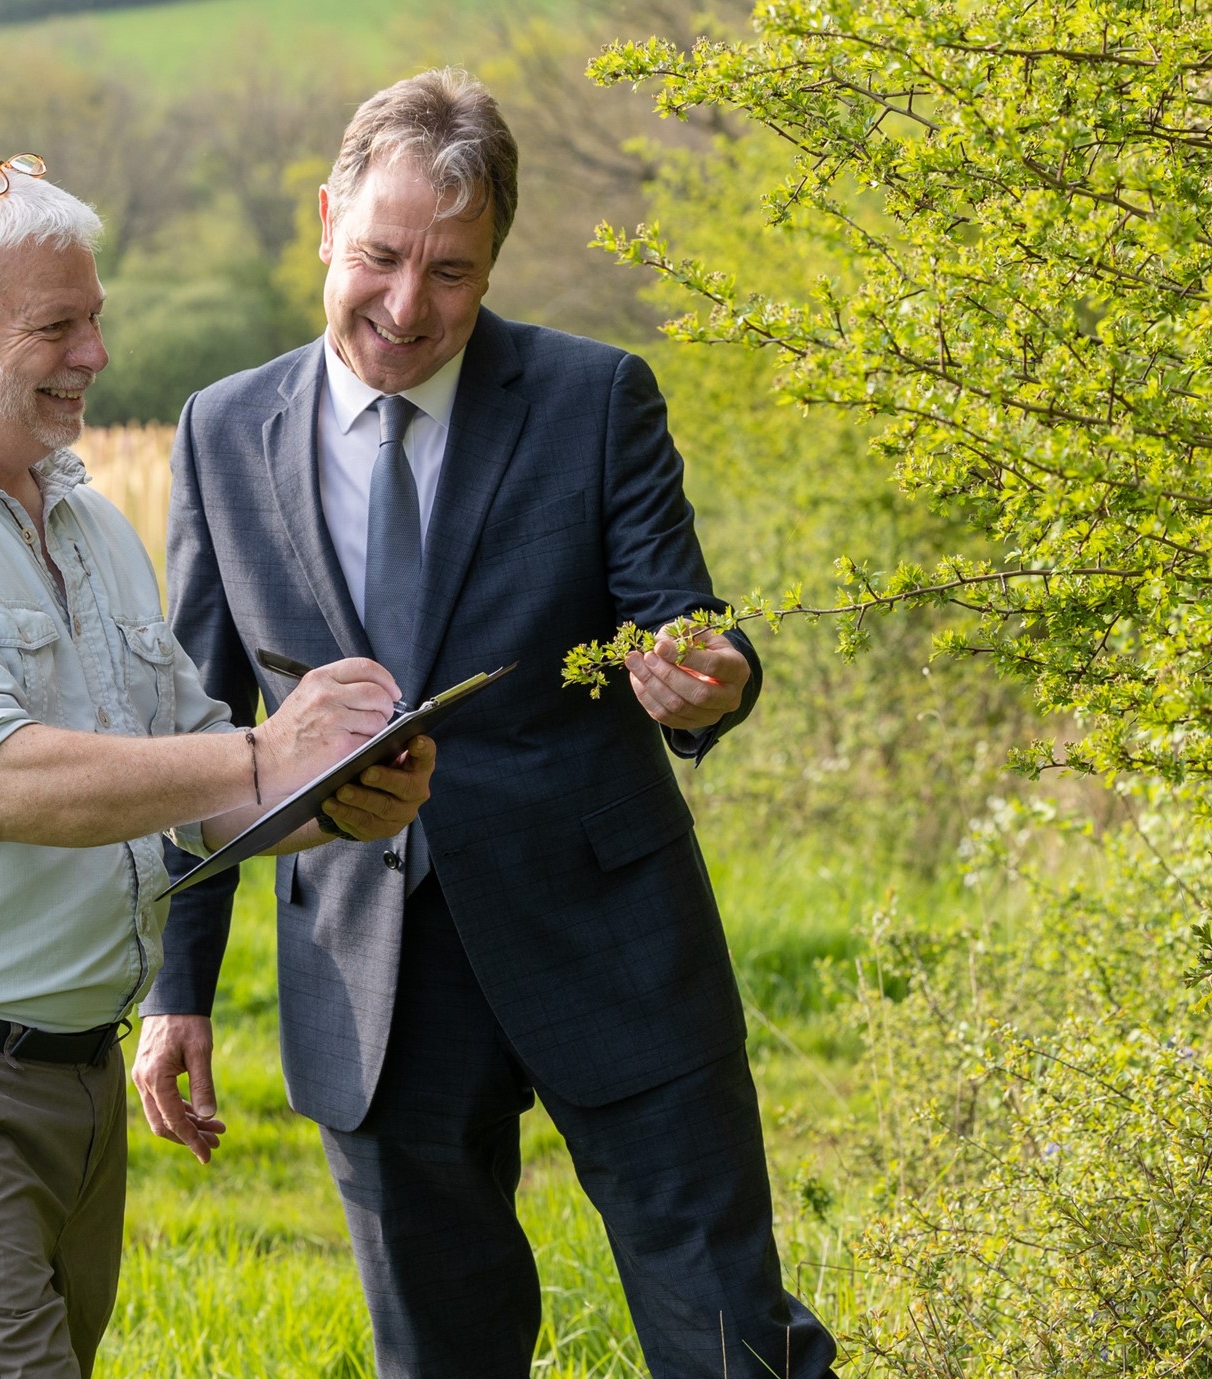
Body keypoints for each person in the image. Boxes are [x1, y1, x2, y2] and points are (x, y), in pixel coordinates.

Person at [130, 71, 840, 1379]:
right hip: (370, 970)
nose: (408, 306)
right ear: (327, 217)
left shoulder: (596, 397)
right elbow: (199, 719)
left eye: (452, 273)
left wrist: (711, 673)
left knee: (731, 1338)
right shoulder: (222, 430)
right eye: (382, 258)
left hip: (610, 941)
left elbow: (682, 618)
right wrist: (177, 986)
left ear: (496, 257)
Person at [0, 154, 434, 1379]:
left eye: (96, 318)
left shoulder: (84, 518)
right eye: (55, 326)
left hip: (71, 1082)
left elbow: (194, 784)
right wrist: (259, 746)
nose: (95, 355)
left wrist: (334, 796)